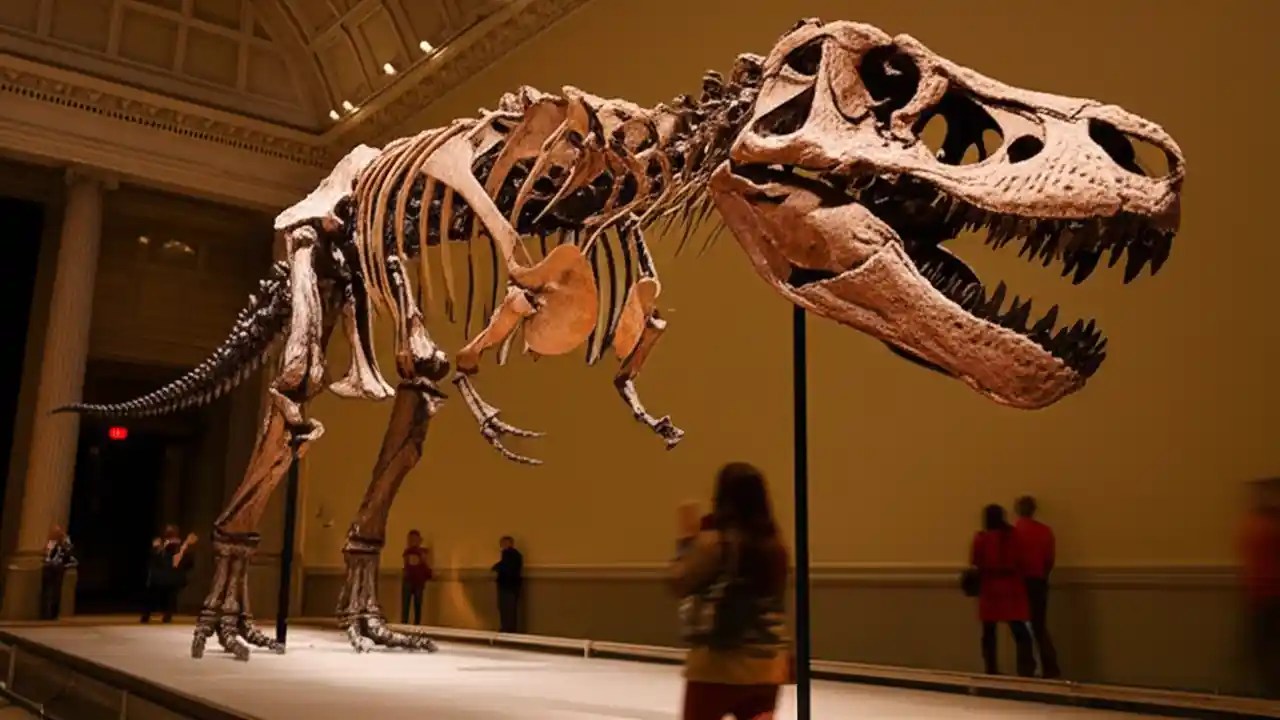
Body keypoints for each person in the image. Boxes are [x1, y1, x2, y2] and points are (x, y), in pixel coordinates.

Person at [670, 462, 791, 720]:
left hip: (717, 665)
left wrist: (686, 541)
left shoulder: (716, 543)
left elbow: (679, 581)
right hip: (767, 665)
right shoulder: (776, 547)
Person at [970, 504, 1034, 677]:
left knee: (989, 632)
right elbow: (1022, 559)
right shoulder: (1013, 536)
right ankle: (1026, 668)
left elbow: (976, 561)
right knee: (1019, 629)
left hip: (990, 588)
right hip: (1012, 587)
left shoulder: (981, 538)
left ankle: (991, 669)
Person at [1239, 477, 1280, 698]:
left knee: (1266, 655)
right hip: (1260, 598)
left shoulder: (1270, 525)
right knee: (1261, 655)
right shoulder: (1258, 522)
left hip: (1271, 599)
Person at [1013, 495, 1061, 679]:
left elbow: (1013, 560)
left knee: (1021, 629)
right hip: (1039, 581)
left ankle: (1026, 669)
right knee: (1039, 626)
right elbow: (1049, 560)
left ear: (1017, 510)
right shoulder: (1045, 531)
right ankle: (1051, 668)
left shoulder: (1014, 532)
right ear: (1034, 510)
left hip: (1020, 583)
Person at [142, 525, 197, 624]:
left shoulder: (175, 546)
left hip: (167, 576)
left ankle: (156, 615)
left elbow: (182, 561)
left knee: (163, 597)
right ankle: (158, 615)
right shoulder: (170, 545)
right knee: (163, 597)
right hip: (166, 576)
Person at [40, 524, 77, 620]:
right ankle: (47, 613)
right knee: (50, 592)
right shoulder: (53, 543)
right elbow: (48, 554)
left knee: (54, 592)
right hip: (52, 568)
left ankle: (51, 613)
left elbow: (67, 552)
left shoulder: (61, 543)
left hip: (56, 568)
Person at [491, 536, 523, 633]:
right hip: (512, 587)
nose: (501, 545)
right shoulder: (516, 555)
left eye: (503, 543)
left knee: (506, 609)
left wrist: (496, 568)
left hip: (507, 587)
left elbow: (505, 568)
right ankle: (509, 629)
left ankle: (507, 629)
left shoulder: (509, 554)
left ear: (508, 543)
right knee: (509, 610)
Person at [401, 529, 432, 625]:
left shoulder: (421, 553)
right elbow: (408, 564)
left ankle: (416, 624)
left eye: (414, 539)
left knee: (417, 606)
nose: (412, 542)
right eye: (410, 539)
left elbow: (424, 565)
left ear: (419, 540)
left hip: (417, 582)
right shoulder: (408, 552)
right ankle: (405, 624)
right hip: (409, 581)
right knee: (406, 606)